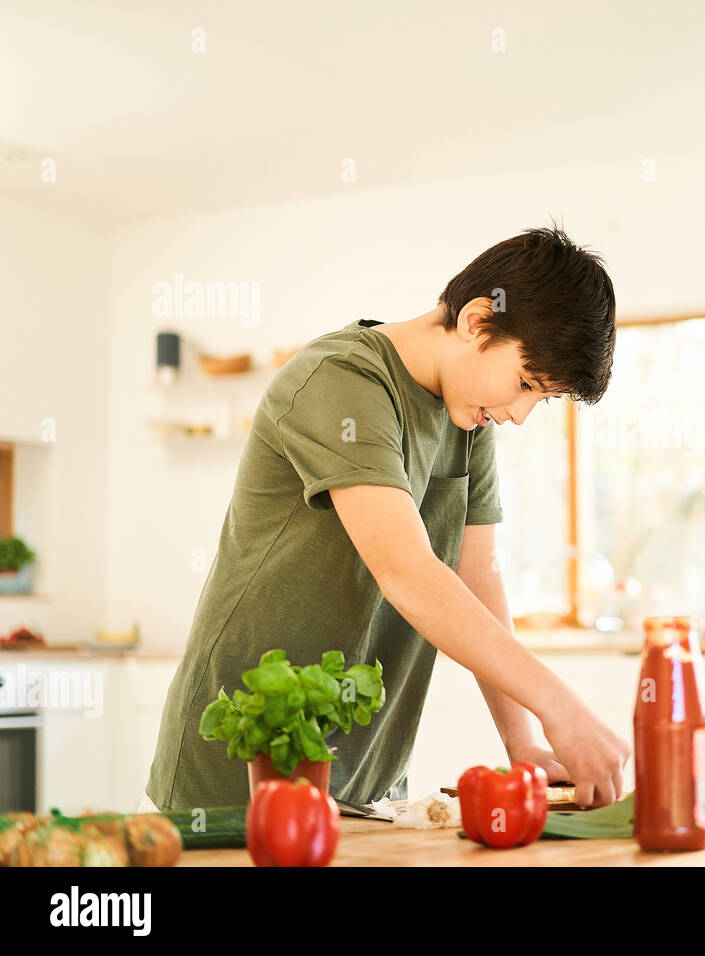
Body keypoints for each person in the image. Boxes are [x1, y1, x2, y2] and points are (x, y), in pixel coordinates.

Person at [142, 225, 630, 813]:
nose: (521, 413)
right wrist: (562, 707)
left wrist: (522, 738)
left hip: (367, 777)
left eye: (542, 398)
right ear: (478, 321)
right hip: (240, 771)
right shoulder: (342, 379)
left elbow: (479, 579)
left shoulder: (469, 418)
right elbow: (408, 572)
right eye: (525, 383)